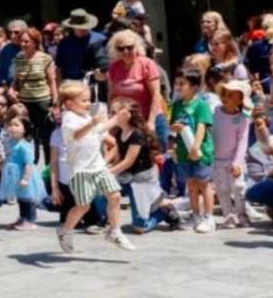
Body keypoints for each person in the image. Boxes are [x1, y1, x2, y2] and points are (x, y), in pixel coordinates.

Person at [57, 81, 136, 252]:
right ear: (70, 104)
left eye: (89, 100)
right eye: (84, 101)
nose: (88, 104)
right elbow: (77, 135)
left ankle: (115, 232)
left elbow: (100, 129)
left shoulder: (86, 117)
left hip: (98, 166)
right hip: (80, 170)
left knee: (114, 196)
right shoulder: (69, 118)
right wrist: (91, 124)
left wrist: (116, 119)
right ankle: (65, 230)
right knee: (83, 205)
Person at [104, 98, 164, 231]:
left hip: (140, 179)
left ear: (126, 114)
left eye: (114, 113)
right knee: (100, 187)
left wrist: (109, 172)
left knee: (139, 228)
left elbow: (128, 161)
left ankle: (163, 213)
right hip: (126, 175)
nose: (111, 116)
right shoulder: (119, 132)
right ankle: (105, 217)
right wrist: (108, 168)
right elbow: (119, 158)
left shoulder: (137, 134)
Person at [169, 69, 215, 233]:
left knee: (204, 183)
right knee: (191, 184)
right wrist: (173, 140)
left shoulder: (201, 104)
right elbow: (173, 127)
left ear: (194, 86)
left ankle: (209, 218)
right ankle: (195, 216)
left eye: (183, 84)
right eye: (177, 83)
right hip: (182, 151)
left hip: (199, 150)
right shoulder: (177, 105)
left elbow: (202, 126)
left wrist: (195, 147)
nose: (178, 87)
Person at [107, 29, 168, 149]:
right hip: (128, 122)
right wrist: (113, 120)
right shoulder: (113, 67)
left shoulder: (147, 64)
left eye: (129, 47)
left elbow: (156, 95)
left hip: (151, 117)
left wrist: (151, 122)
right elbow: (112, 96)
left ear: (136, 47)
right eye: (121, 48)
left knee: (158, 158)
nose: (126, 51)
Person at [9, 27, 57, 162]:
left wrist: (55, 102)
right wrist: (11, 90)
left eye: (26, 41)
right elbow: (16, 80)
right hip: (24, 102)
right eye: (21, 42)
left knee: (46, 135)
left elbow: (52, 82)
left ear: (35, 42)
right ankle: (30, 163)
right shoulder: (18, 59)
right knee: (27, 134)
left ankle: (49, 166)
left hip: (42, 101)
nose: (23, 44)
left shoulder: (45, 58)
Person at [212, 81, 251, 228]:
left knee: (239, 188)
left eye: (230, 95)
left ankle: (242, 214)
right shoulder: (215, 112)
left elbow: (242, 142)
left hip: (235, 160)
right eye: (224, 94)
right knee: (222, 189)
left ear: (239, 100)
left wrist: (237, 163)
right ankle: (227, 215)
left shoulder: (242, 119)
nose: (225, 97)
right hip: (217, 160)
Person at [0, 117, 45, 230]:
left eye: (16, 125)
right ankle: (22, 217)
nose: (12, 128)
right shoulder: (9, 142)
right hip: (14, 174)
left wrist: (26, 177)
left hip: (24, 173)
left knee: (27, 197)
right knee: (20, 197)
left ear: (24, 129)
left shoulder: (24, 145)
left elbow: (28, 163)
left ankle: (29, 219)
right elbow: (9, 156)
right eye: (10, 125)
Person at [54, 9, 108, 82]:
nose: (82, 29)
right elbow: (59, 67)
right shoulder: (64, 43)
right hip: (71, 85)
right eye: (79, 27)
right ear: (72, 26)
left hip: (95, 85)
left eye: (84, 26)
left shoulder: (101, 39)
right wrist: (59, 87)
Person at [0, 20, 25, 87]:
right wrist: (5, 87)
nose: (13, 35)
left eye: (16, 32)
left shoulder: (30, 47)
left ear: (24, 32)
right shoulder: (5, 50)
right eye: (10, 32)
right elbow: (1, 74)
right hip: (9, 88)